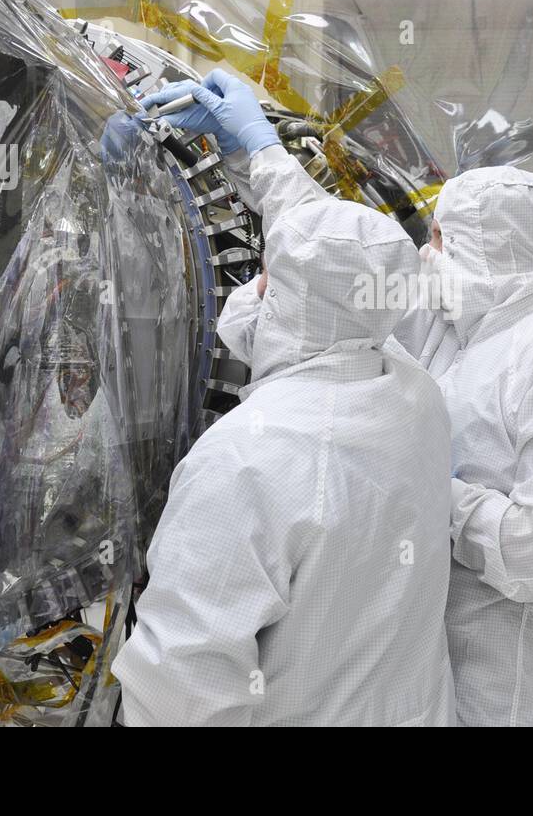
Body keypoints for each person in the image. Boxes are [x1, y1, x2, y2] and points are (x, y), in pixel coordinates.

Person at [163, 69, 533, 726]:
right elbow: (332, 263)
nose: (426, 253)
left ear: (489, 250)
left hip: (517, 698)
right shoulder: (457, 320)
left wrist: (426, 492)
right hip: (432, 685)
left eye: (440, 239)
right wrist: (261, 148)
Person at [113, 189, 456, 725]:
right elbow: (339, 329)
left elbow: (180, 692)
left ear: (288, 301)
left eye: (267, 277)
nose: (256, 289)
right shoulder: (418, 397)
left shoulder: (244, 461)